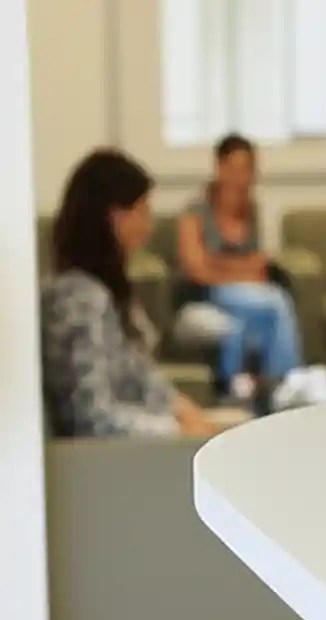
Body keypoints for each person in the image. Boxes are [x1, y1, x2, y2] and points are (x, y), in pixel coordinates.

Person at [41, 149, 216, 437]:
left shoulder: (104, 293)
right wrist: (176, 431)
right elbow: (92, 417)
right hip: (116, 457)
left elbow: (138, 374)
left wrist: (182, 409)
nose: (150, 224)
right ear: (114, 216)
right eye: (143, 211)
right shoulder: (80, 301)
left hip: (140, 437)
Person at [177, 133, 301, 400]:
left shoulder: (252, 210)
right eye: (235, 169)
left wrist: (219, 264)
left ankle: (249, 395)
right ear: (219, 168)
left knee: (264, 318)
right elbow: (197, 270)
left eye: (248, 169)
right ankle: (283, 391)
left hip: (246, 297)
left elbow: (261, 267)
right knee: (277, 304)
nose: (242, 177)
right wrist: (239, 269)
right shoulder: (196, 211)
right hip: (206, 295)